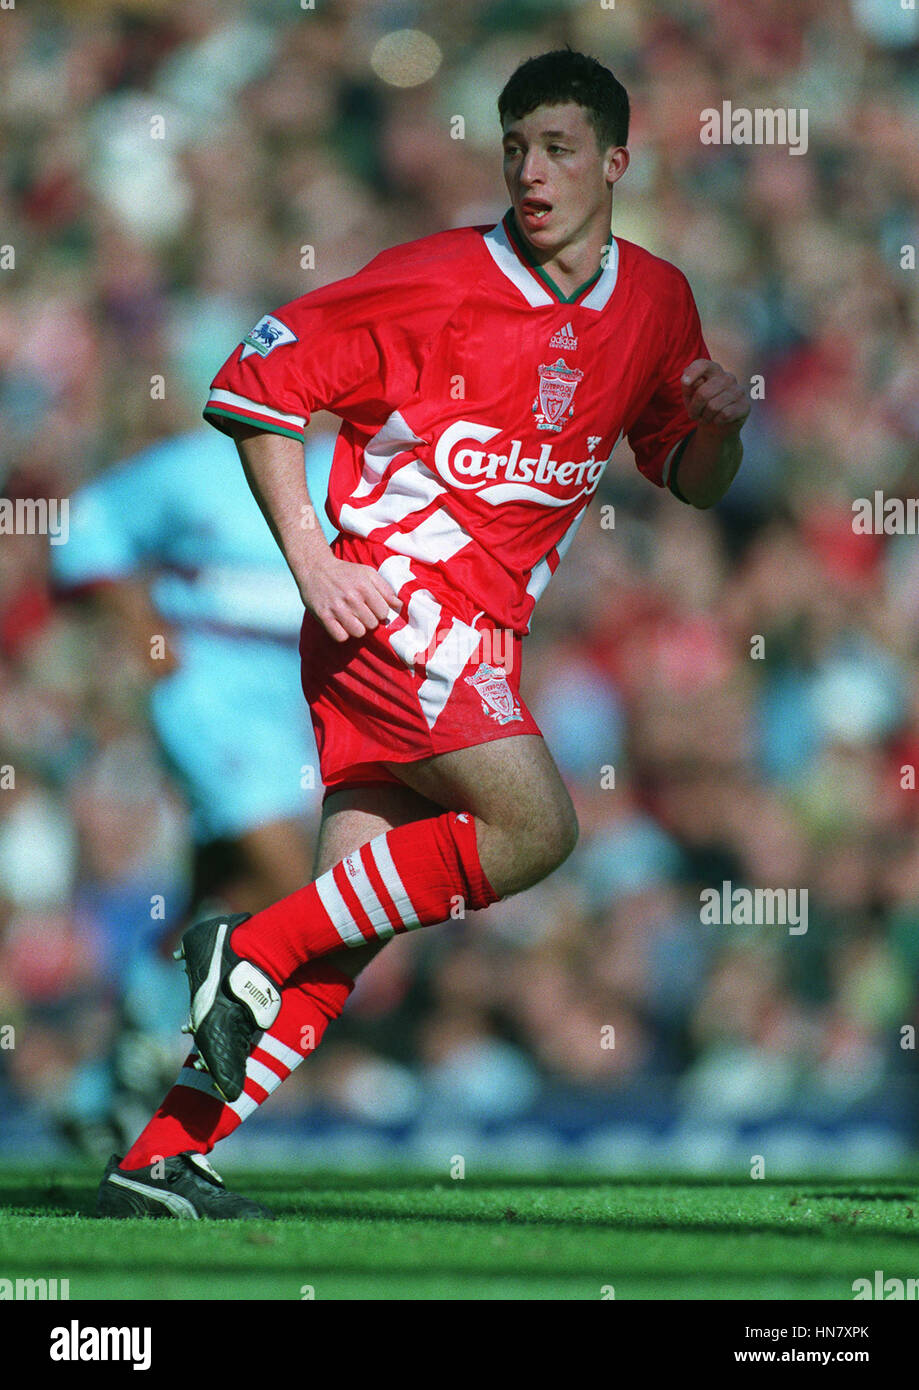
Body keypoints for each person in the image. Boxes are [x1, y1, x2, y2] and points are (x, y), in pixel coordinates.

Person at [97, 49, 749, 1218]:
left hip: (471, 637)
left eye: (556, 147)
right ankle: (239, 949)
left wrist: (717, 429)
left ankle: (159, 1154)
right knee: (538, 826)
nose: (531, 171)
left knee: (347, 930)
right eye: (514, 147)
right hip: (398, 614)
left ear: (615, 160)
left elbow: (693, 481)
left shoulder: (655, 303)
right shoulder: (436, 279)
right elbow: (253, 383)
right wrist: (312, 559)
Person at [52, 426, 334, 1151]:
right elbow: (83, 525)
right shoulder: (193, 465)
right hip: (208, 687)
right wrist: (142, 628)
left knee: (222, 890)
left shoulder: (356, 465)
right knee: (286, 876)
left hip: (300, 698)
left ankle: (114, 1072)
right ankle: (166, 1078)